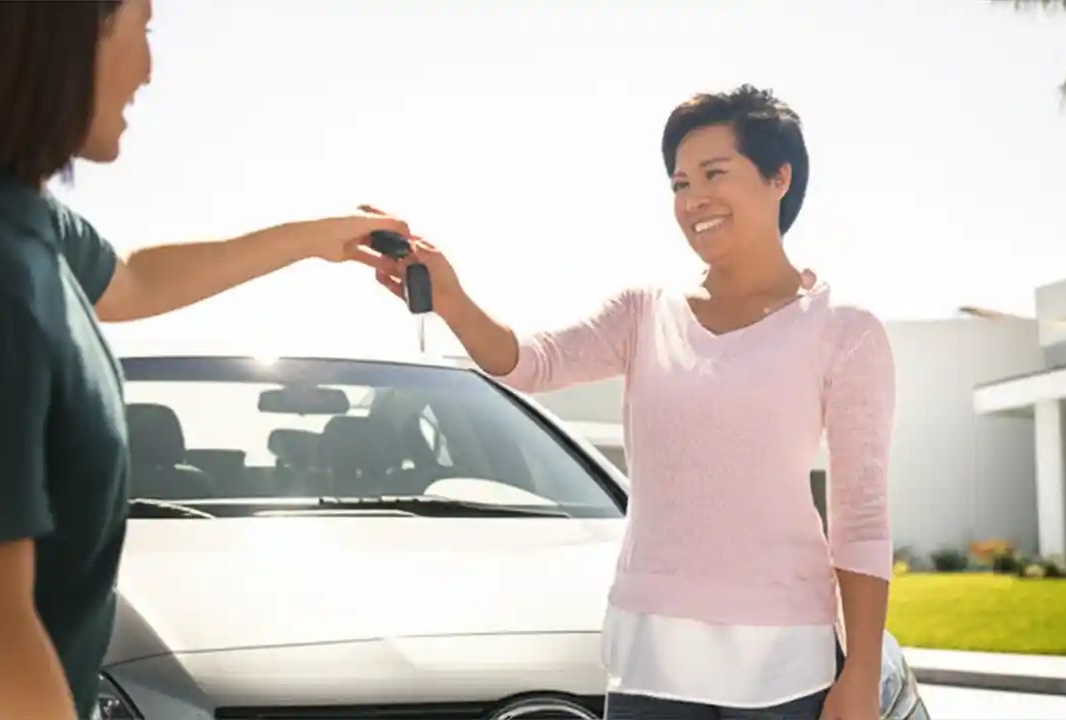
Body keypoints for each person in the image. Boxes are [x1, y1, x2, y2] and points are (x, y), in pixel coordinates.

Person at [0, 2, 408, 718]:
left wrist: (315, 237)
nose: (147, 71)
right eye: (142, 29)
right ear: (64, 37)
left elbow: (133, 279)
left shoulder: (11, 218)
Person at [374, 85, 895, 720]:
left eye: (714, 173)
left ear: (779, 176)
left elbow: (860, 516)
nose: (693, 198)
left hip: (783, 667)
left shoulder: (844, 329)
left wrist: (862, 671)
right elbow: (529, 362)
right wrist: (451, 298)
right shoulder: (643, 314)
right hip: (651, 660)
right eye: (679, 184)